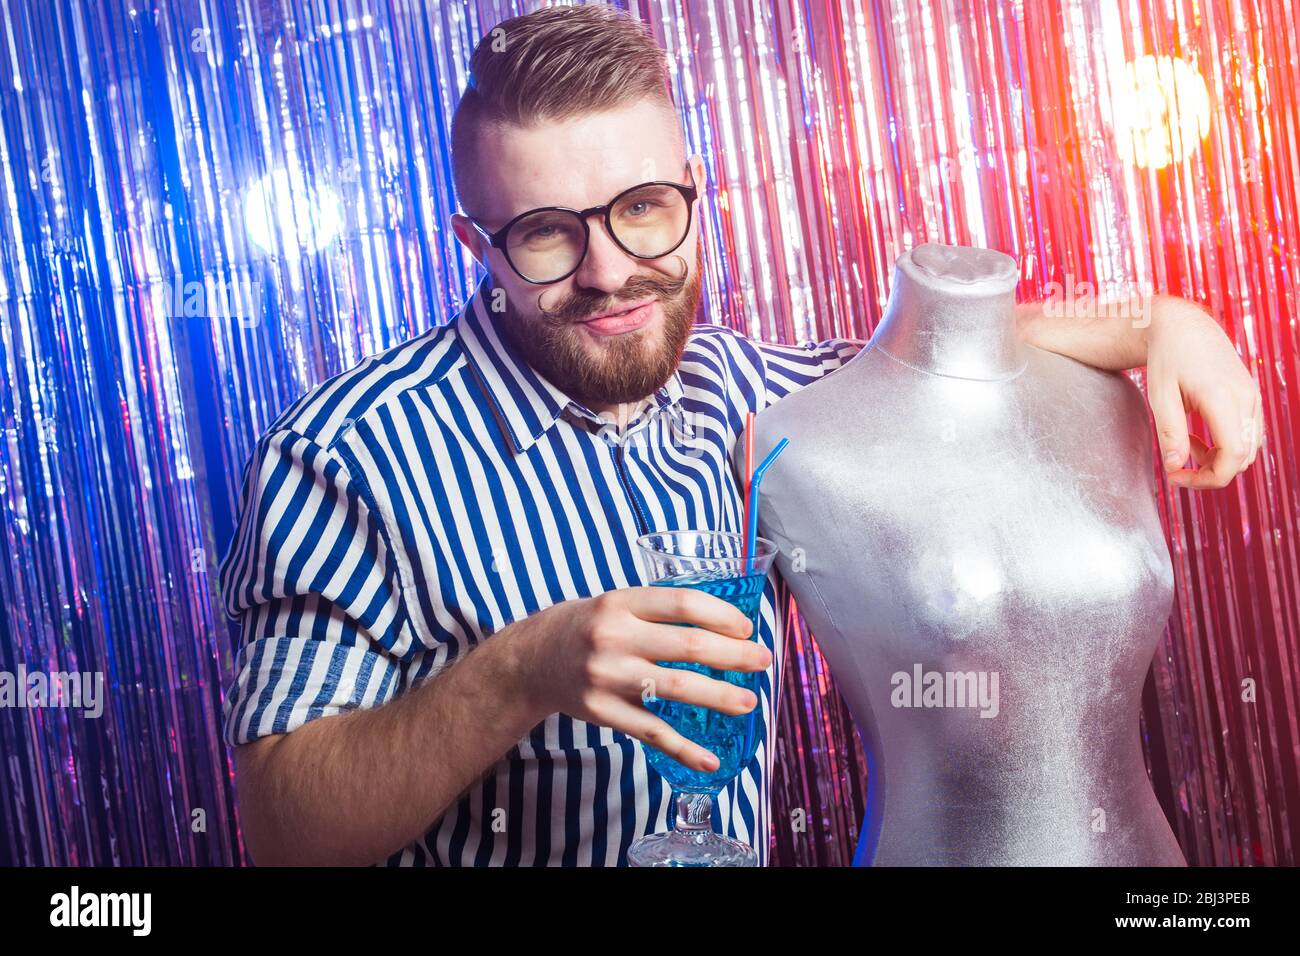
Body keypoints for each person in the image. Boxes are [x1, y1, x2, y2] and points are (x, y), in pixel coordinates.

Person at [219, 5, 1262, 866]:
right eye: (545, 232)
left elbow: (942, 360)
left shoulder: (750, 398)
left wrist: (1158, 320)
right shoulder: (344, 454)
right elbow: (283, 829)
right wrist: (523, 669)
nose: (610, 269)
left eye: (643, 207)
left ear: (694, 194)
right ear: (475, 246)